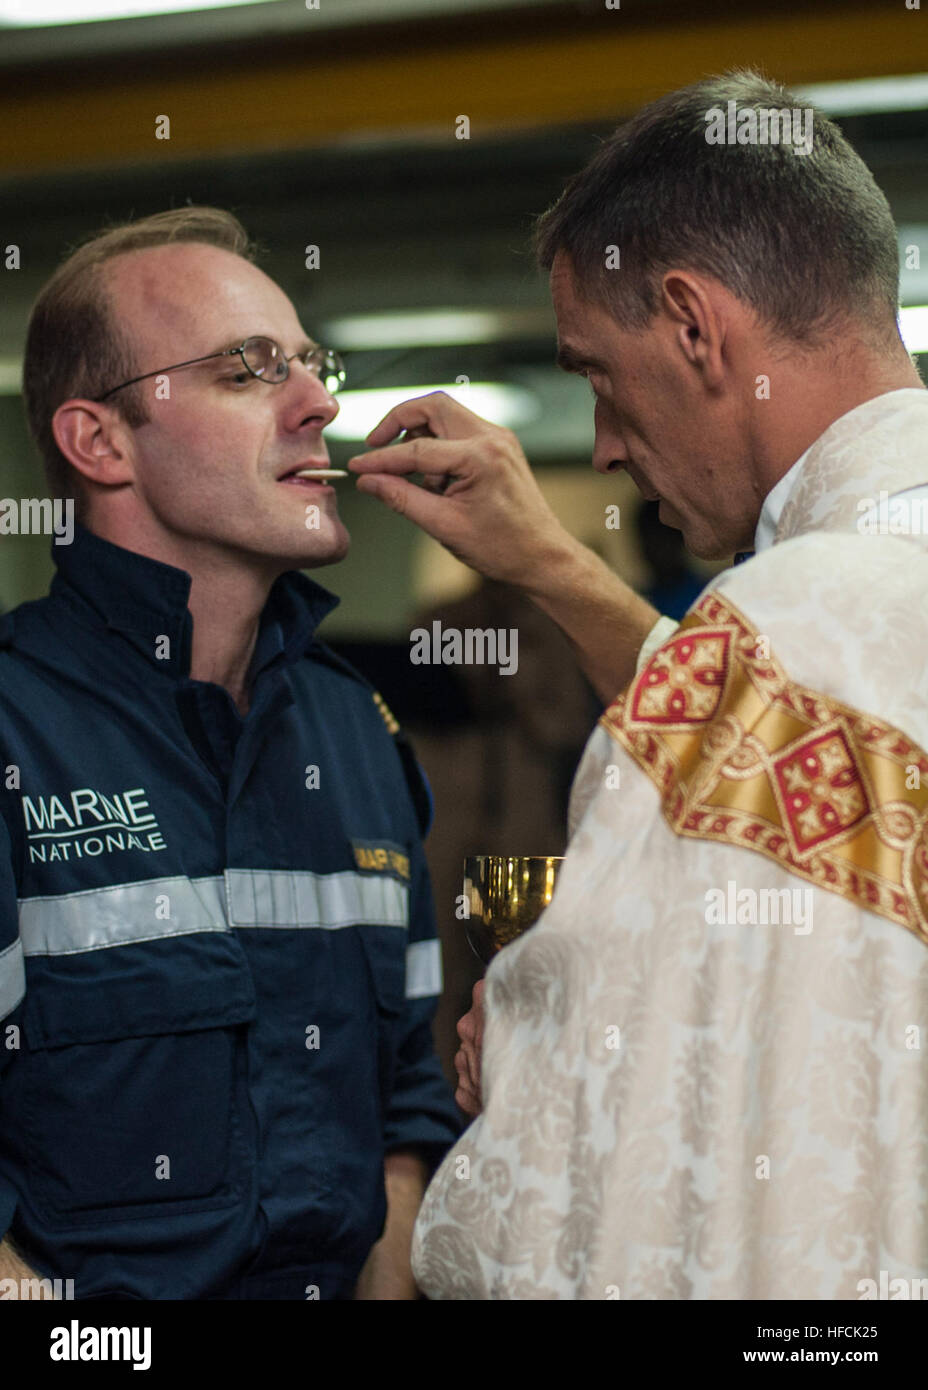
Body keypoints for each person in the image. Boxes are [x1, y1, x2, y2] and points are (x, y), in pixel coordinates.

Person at [347, 70, 928, 1298]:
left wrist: (534, 1042)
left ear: (693, 324)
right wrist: (554, 566)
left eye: (597, 374)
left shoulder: (765, 636)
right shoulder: (835, 617)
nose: (603, 442)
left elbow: (584, 1184)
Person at [0, 207, 460, 1300]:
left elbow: (403, 1107)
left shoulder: (355, 728)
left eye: (312, 363)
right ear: (100, 442)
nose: (320, 404)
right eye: (250, 370)